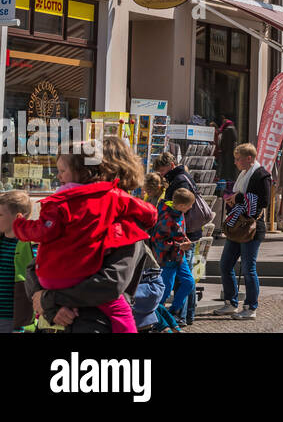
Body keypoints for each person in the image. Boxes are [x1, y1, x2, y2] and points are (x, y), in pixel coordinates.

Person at [11, 139, 158, 333]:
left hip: (92, 323)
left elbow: (111, 282)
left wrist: (49, 299)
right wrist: (47, 303)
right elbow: (35, 266)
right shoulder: (70, 210)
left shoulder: (123, 221)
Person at [213, 142, 272, 320]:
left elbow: (263, 201)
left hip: (252, 228)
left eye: (238, 159)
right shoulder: (244, 173)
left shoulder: (262, 175)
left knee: (248, 268)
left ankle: (250, 306)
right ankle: (231, 302)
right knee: (225, 264)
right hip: (238, 226)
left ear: (249, 158)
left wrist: (238, 197)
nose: (236, 163)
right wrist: (233, 198)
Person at [149, 188, 196, 324]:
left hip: (179, 256)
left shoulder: (179, 213)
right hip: (167, 258)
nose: (191, 207)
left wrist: (185, 240)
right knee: (166, 290)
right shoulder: (166, 218)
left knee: (189, 282)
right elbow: (157, 241)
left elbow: (180, 231)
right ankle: (157, 316)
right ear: (181, 205)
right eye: (190, 205)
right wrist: (178, 246)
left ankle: (172, 312)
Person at [0, 191, 36, 334]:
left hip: (11, 319)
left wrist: (22, 324)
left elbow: (32, 283)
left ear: (18, 217)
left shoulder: (28, 246)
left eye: (0, 215)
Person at [215, 115, 238, 186]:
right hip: (229, 152)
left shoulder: (228, 129)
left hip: (227, 152)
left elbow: (225, 142)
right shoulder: (231, 128)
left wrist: (222, 149)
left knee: (227, 169)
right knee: (229, 169)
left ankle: (227, 183)